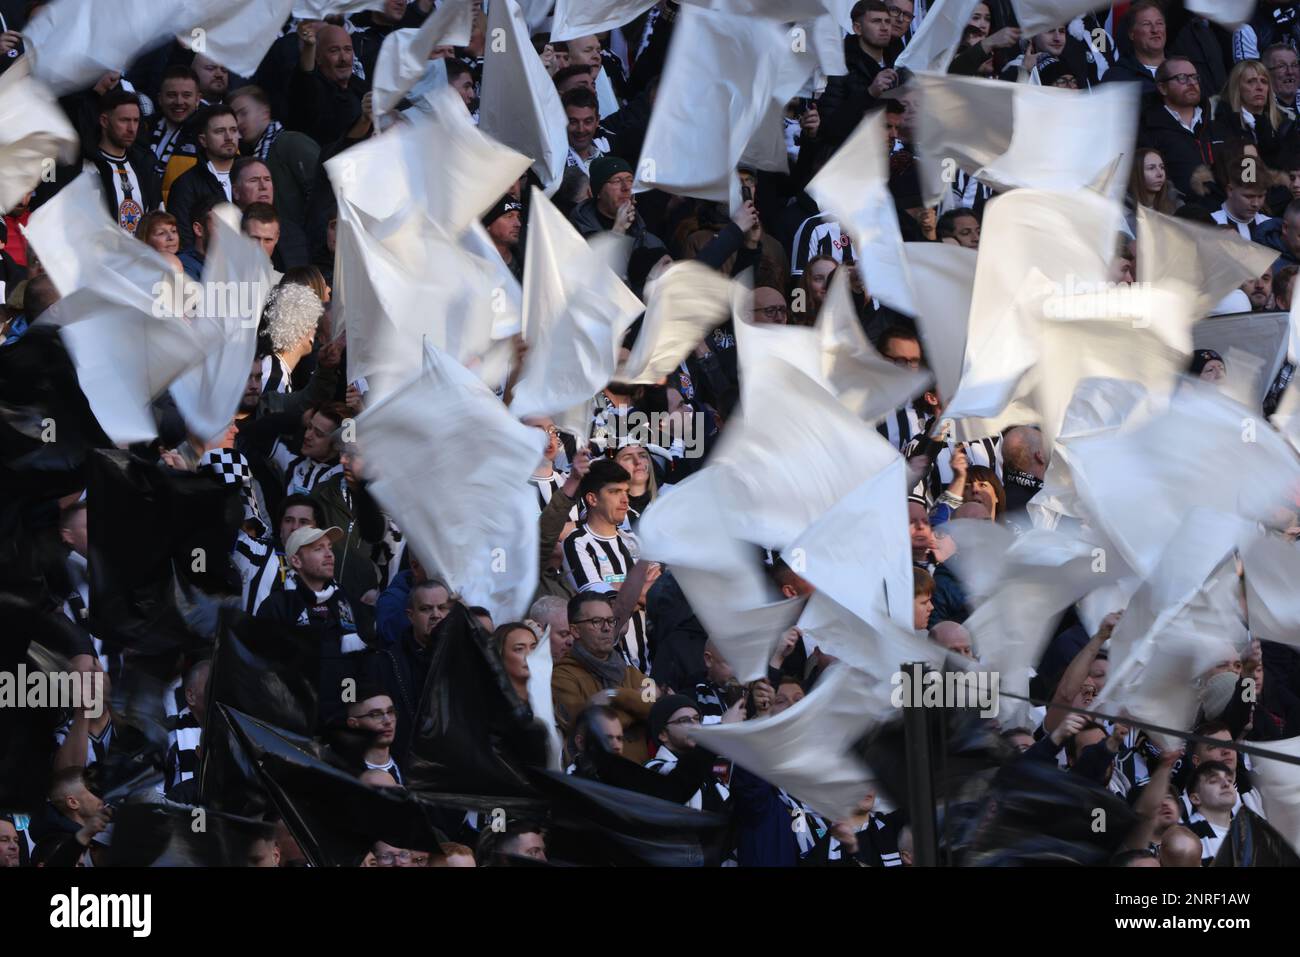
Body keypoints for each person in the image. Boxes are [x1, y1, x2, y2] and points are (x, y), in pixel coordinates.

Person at [561, 459, 654, 672]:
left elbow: (658, 595)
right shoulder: (577, 542)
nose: (625, 500)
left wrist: (620, 588)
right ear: (592, 499)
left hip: (652, 659)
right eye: (614, 492)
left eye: (626, 491)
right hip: (612, 665)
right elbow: (604, 607)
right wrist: (641, 589)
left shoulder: (635, 541)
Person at [551, 592, 655, 763]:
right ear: (575, 630)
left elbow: (655, 707)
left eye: (610, 620)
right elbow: (586, 728)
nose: (607, 628)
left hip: (642, 774)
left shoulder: (630, 671)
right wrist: (637, 711)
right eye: (596, 621)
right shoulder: (562, 675)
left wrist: (615, 695)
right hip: (600, 778)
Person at [229, 84, 320, 229]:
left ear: (265, 112)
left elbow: (322, 191)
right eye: (234, 117)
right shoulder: (250, 156)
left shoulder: (292, 142)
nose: (238, 122)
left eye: (243, 113)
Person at [1138, 56, 1220, 201]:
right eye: (1182, 78)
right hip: (1180, 215)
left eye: (1195, 77)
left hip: (1228, 211)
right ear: (1162, 88)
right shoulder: (1148, 130)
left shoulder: (1217, 121)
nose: (1191, 83)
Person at [87, 89, 161, 234]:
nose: (132, 129)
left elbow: (158, 219)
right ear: (104, 121)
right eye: (124, 120)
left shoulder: (145, 166)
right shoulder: (88, 167)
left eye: (136, 121)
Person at [169, 105, 241, 250]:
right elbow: (184, 240)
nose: (229, 137)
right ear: (203, 140)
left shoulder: (254, 174)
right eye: (219, 131)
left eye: (233, 130)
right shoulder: (185, 184)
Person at [567, 155, 664, 254]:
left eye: (630, 180)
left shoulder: (650, 242)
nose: (626, 187)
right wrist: (618, 231)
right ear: (598, 192)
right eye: (616, 181)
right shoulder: (574, 233)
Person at [1102, 0, 1167, 94]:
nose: (1155, 30)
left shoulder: (1183, 71)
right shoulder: (1116, 78)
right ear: (1131, 34)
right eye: (1146, 24)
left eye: (1159, 23)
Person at [344, 690, 402, 783]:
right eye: (375, 714)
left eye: (390, 712)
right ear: (354, 723)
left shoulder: (411, 763)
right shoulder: (343, 770)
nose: (387, 721)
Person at [494, 621, 539, 704]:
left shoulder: (548, 697)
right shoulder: (490, 703)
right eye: (519, 649)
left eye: (534, 648)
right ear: (500, 654)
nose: (530, 655)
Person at [482, 196, 523, 283]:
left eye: (518, 217)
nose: (518, 224)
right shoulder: (474, 263)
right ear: (488, 224)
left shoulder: (527, 262)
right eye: (509, 216)